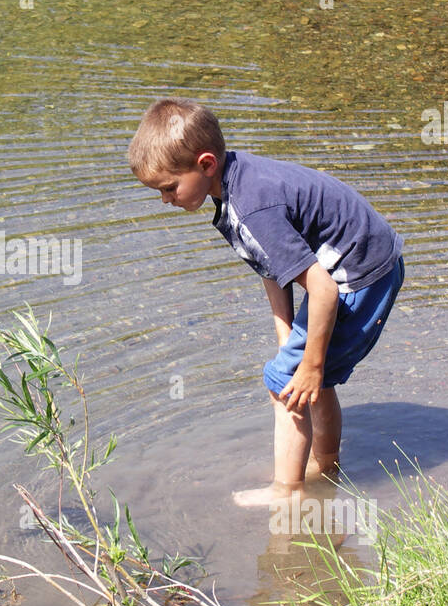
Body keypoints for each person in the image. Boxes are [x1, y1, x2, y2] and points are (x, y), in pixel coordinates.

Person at [128, 98, 404, 507]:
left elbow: (324, 289)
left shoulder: (253, 206)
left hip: (359, 275)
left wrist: (306, 365)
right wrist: (290, 339)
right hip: (361, 264)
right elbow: (272, 269)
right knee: (307, 379)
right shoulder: (231, 186)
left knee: (285, 386)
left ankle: (287, 493)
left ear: (205, 165)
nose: (165, 199)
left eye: (169, 187)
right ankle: (325, 468)